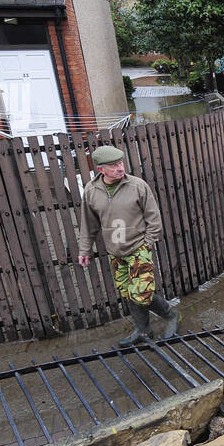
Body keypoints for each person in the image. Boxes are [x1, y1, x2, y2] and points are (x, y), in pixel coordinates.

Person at [77, 144, 180, 346]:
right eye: (114, 165)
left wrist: (148, 243)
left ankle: (171, 316)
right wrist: (84, 249)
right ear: (101, 170)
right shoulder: (91, 190)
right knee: (128, 293)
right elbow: (88, 223)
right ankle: (143, 331)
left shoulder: (137, 186)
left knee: (141, 293)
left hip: (138, 248)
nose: (120, 167)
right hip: (115, 252)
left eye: (121, 162)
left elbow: (154, 218)